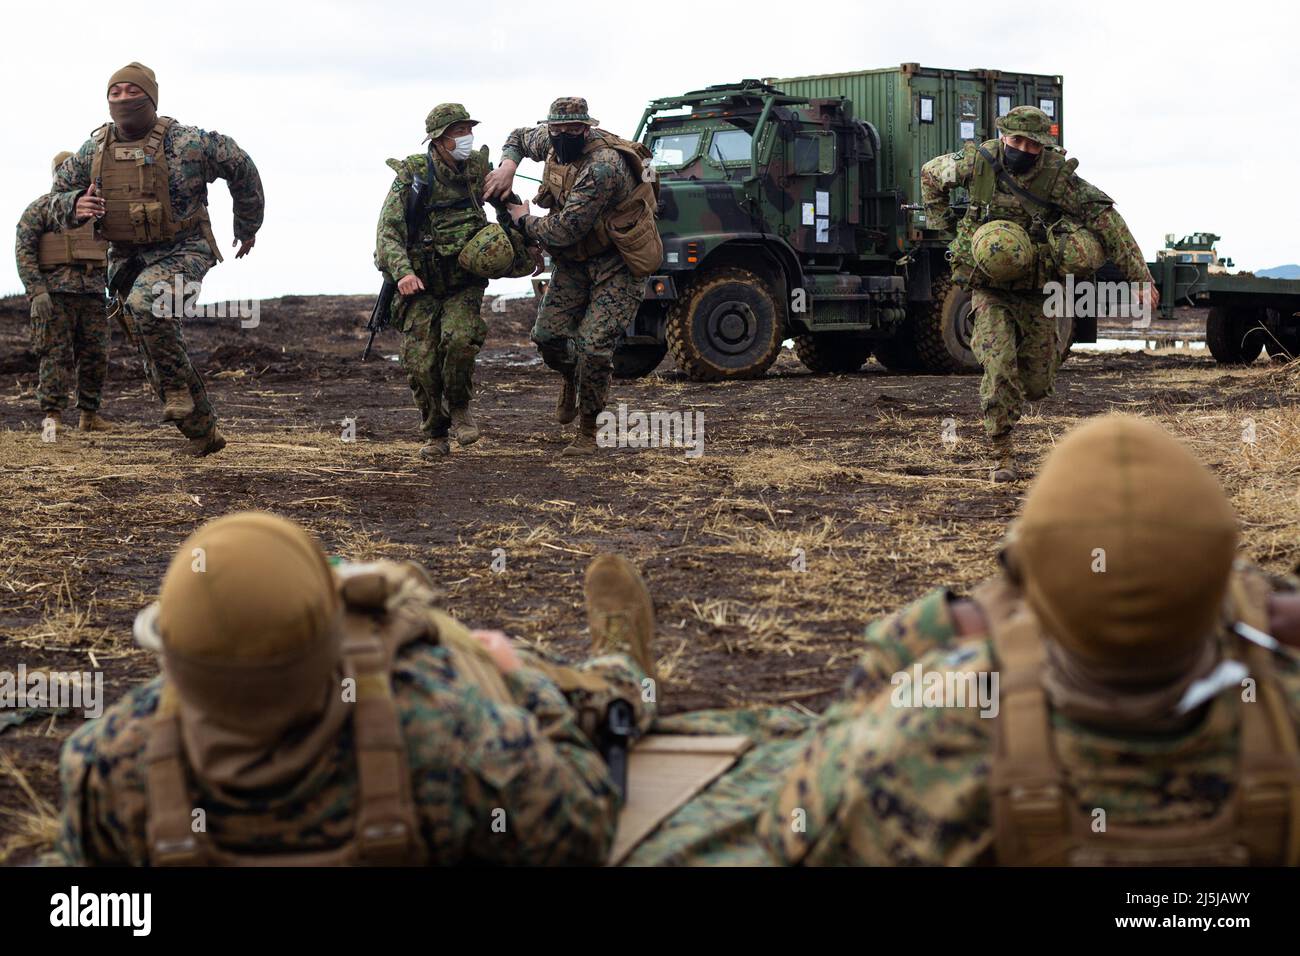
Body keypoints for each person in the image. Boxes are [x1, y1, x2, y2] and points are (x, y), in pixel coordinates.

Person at [761, 414, 1300, 865]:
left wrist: (923, 633)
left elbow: (792, 828)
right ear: (1218, 577)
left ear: (1034, 576)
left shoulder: (930, 731)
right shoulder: (1285, 708)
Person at [56, 511, 657, 865]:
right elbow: (583, 827)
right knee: (504, 655)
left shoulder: (106, 764)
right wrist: (519, 687)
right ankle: (620, 668)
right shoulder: (449, 729)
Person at [921, 106, 1155, 481]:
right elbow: (930, 175)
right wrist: (945, 225)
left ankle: (1020, 400)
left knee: (1035, 383)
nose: (1023, 149)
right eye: (1016, 141)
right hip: (989, 289)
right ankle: (1002, 454)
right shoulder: (976, 164)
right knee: (999, 370)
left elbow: (1108, 221)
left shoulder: (1057, 179)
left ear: (1043, 145)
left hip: (1038, 292)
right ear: (1003, 136)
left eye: (1032, 144)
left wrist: (1140, 278)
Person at [51, 62, 264, 457]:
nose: (123, 99)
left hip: (184, 249)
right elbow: (57, 196)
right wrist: (75, 205)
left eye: (132, 92)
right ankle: (202, 433)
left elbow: (241, 166)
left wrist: (247, 225)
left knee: (148, 306)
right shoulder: (93, 150)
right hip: (127, 261)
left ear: (150, 97)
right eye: (115, 93)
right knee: (153, 340)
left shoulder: (189, 141)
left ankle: (180, 394)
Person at [483, 97, 660, 456]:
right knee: (548, 337)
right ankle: (570, 377)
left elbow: (564, 231)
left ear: (587, 128)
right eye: (558, 130)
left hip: (618, 261)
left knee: (594, 347)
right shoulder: (548, 141)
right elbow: (517, 137)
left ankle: (587, 431)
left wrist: (521, 219)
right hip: (576, 262)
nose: (564, 136)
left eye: (573, 130)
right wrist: (507, 168)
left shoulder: (603, 166)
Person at [375, 104, 538, 459]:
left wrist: (526, 249)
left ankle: (461, 406)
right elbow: (388, 231)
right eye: (457, 132)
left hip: (464, 280)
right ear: (439, 140)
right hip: (420, 284)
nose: (466, 138)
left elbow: (510, 210)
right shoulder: (414, 175)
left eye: (468, 130)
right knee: (421, 360)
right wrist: (403, 272)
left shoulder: (480, 171)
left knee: (461, 340)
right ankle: (435, 432)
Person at [15, 152, 111, 433]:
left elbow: (113, 251)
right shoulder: (42, 209)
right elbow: (24, 250)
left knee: (96, 355)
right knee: (55, 355)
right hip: (55, 296)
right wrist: (37, 291)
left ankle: (89, 416)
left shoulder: (97, 211)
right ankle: (53, 417)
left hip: (93, 294)